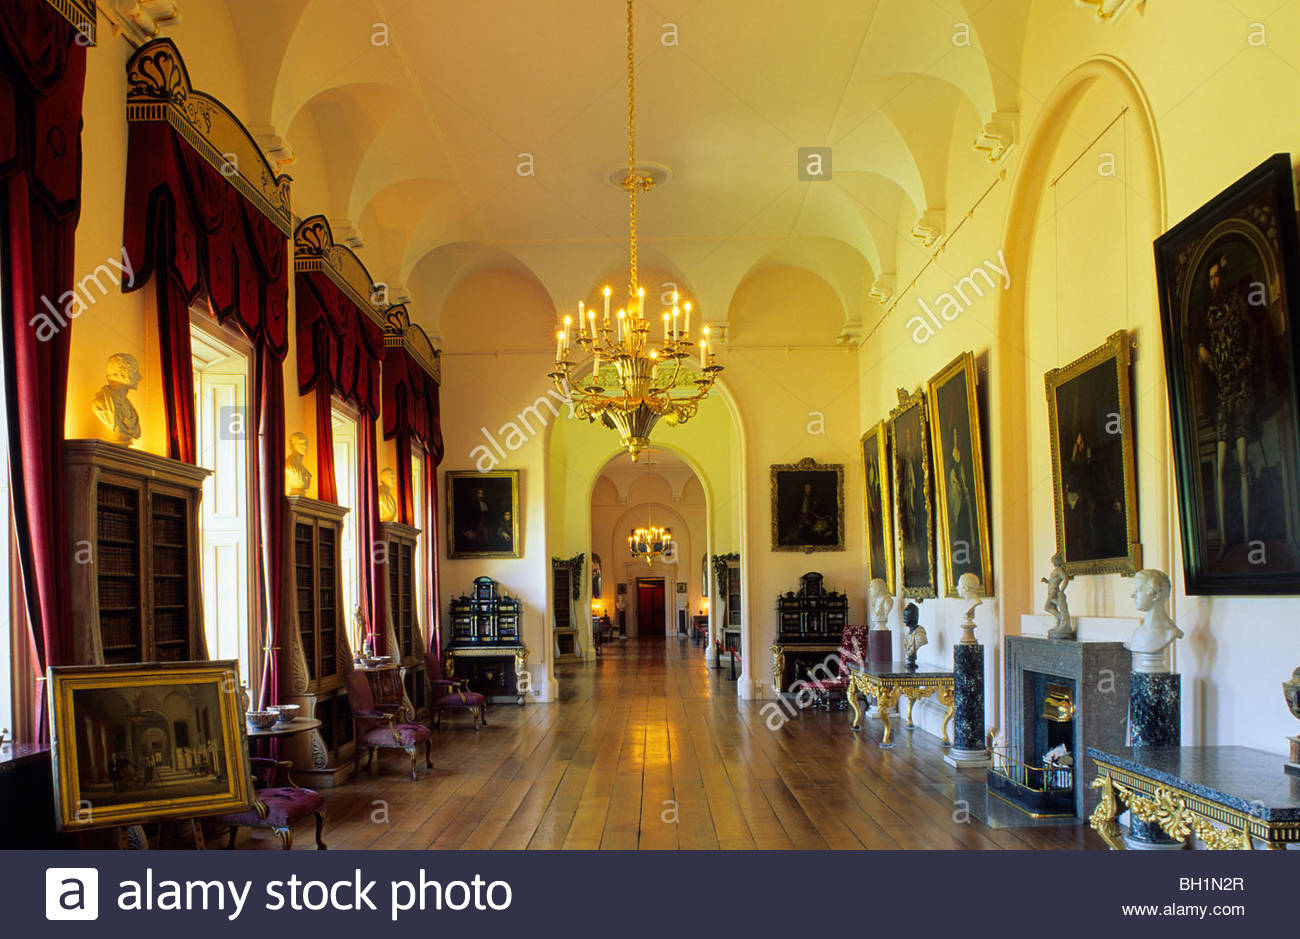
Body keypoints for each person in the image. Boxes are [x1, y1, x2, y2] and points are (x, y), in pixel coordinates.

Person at [1196, 256, 1256, 558]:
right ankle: (1223, 543)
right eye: (1210, 279)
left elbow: (1253, 333)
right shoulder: (1209, 313)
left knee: (1243, 464)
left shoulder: (1236, 304)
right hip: (1222, 392)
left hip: (1240, 388)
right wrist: (1202, 352)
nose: (1214, 282)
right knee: (1220, 468)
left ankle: (1247, 539)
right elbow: (1204, 349)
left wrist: (1246, 357)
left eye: (1217, 277)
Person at [1126, 569, 1183, 673]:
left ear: (1155, 595)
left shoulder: (1170, 632)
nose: (1133, 595)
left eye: (1138, 590)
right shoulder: (1138, 632)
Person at [91, 352, 143, 446]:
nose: (140, 377)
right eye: (135, 372)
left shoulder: (129, 406)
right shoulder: (100, 403)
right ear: (121, 374)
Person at [1042, 552, 1073, 640]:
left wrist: (1062, 590)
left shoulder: (1059, 570)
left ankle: (1061, 619)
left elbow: (1065, 579)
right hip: (1050, 591)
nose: (1053, 562)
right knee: (1053, 607)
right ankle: (1060, 622)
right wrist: (1046, 581)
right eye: (1053, 561)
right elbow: (1053, 582)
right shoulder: (1055, 571)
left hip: (1054, 592)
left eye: (1055, 561)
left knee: (1047, 607)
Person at [285, 431, 312, 495]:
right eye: (301, 443)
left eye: (306, 443)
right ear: (292, 445)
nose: (305, 446)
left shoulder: (300, 465)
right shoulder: (289, 464)